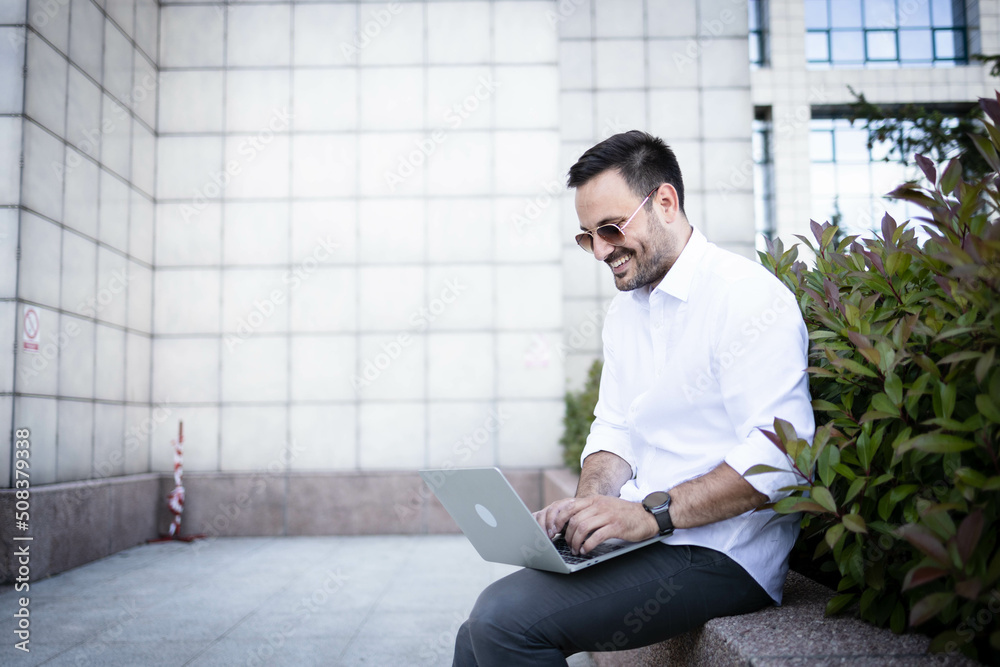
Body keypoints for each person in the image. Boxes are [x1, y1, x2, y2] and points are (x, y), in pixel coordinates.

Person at [452, 130, 816, 666]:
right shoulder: (627, 311)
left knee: (503, 620)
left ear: (664, 203)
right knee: (476, 634)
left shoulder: (747, 297)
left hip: (724, 552)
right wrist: (590, 505)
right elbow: (616, 426)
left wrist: (653, 514)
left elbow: (781, 459)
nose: (600, 250)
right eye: (586, 237)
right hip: (653, 536)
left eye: (610, 228)